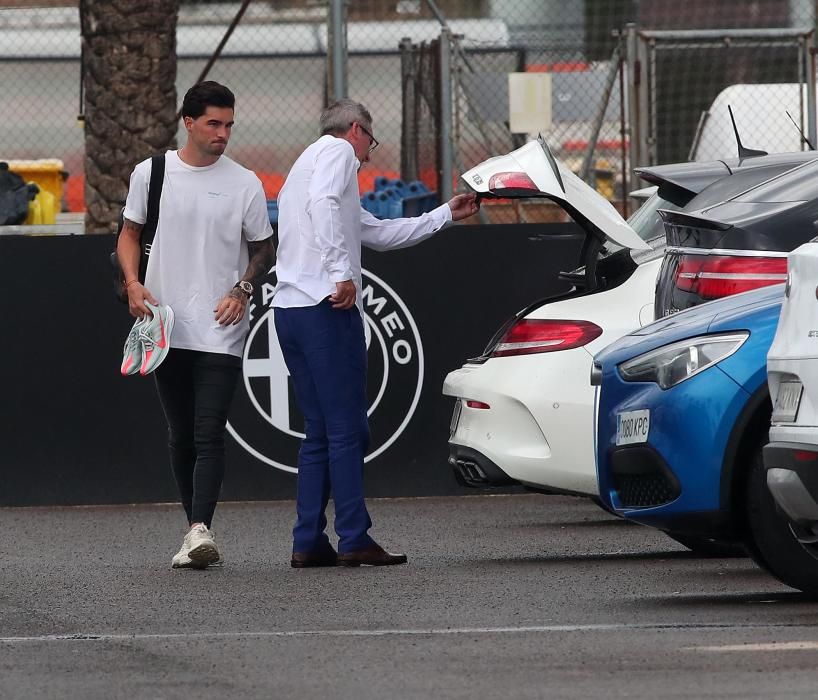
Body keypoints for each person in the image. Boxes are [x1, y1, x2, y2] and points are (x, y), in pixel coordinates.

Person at [274, 99, 479, 568]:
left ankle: (308, 539)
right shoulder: (337, 154)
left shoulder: (305, 165)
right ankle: (353, 536)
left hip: (291, 310)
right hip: (325, 308)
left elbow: (379, 232)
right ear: (355, 130)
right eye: (371, 142)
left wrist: (445, 213)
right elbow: (326, 206)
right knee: (347, 429)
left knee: (321, 432)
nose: (368, 155)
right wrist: (340, 274)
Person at [118, 81, 275, 569]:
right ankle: (194, 530)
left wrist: (242, 289)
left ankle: (201, 528)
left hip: (221, 327)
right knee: (180, 433)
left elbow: (264, 247)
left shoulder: (244, 181)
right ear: (189, 122)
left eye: (229, 124)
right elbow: (129, 234)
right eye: (214, 123)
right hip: (165, 326)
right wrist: (132, 283)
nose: (223, 133)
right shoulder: (153, 172)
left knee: (209, 431)